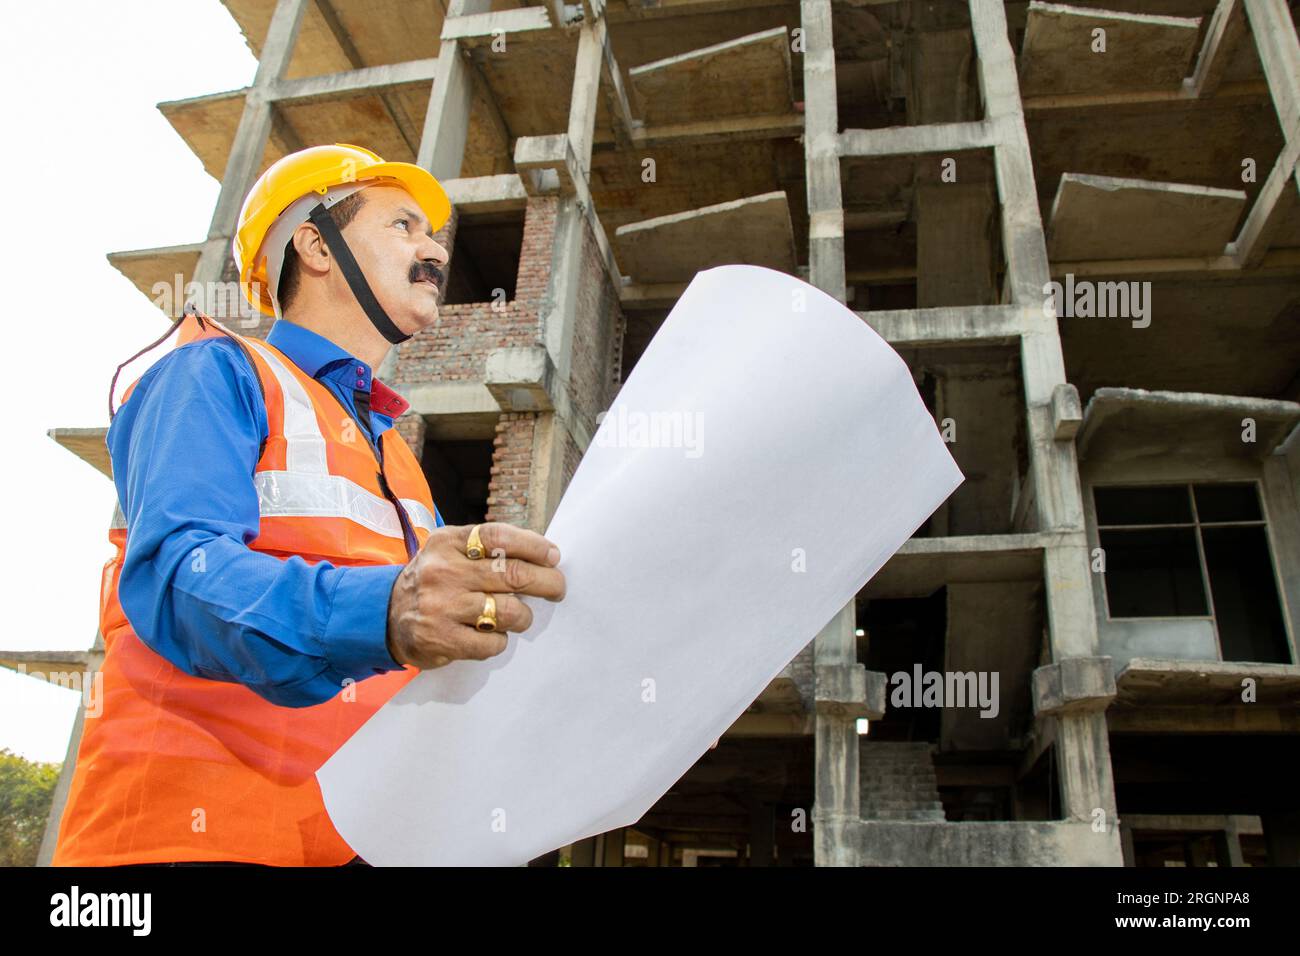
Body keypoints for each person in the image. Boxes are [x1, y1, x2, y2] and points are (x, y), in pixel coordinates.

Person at [52, 143, 566, 866]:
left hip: (353, 843)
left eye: (432, 234)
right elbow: (176, 578)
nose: (435, 250)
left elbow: (417, 655)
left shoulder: (399, 463)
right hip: (187, 837)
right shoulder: (216, 373)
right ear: (316, 245)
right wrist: (386, 608)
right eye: (404, 227)